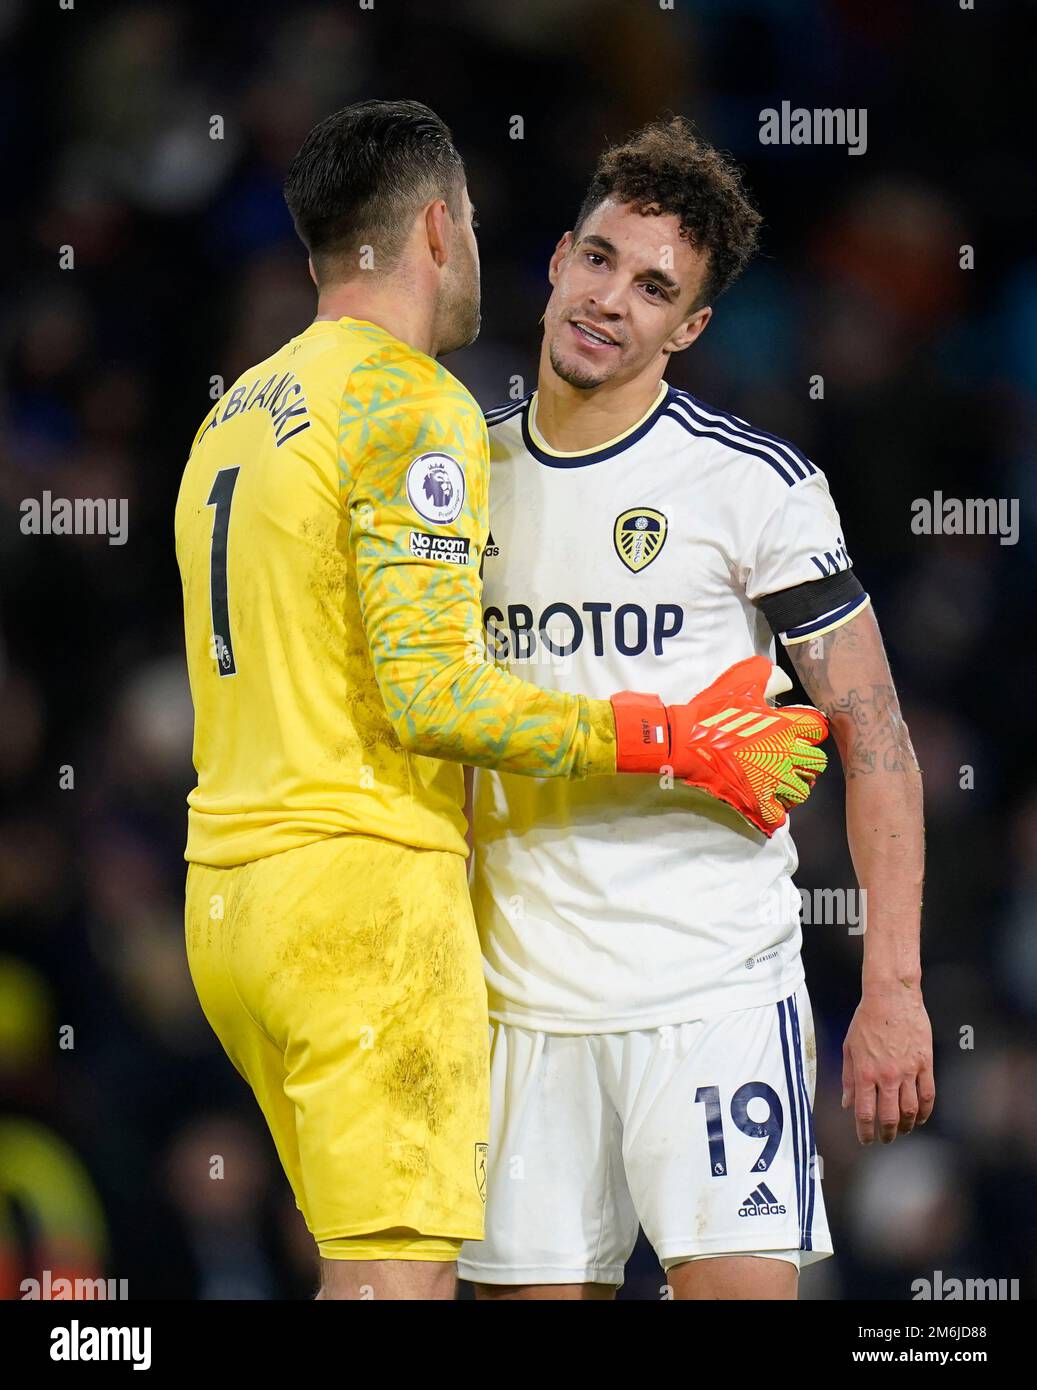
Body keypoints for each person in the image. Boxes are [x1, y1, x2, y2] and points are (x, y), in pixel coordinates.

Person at [174, 100, 827, 1301]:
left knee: (353, 1264)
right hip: (360, 902)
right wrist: (667, 738)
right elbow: (432, 695)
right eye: (471, 222)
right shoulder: (413, 404)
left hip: (226, 897)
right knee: (395, 1286)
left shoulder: (237, 411)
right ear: (437, 229)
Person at [459, 117, 933, 1301]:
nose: (610, 299)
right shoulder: (459, 481)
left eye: (654, 287)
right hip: (517, 1008)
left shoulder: (751, 487)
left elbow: (876, 739)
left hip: (711, 995)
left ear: (690, 327)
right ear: (558, 258)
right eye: (600, 259)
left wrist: (892, 989)